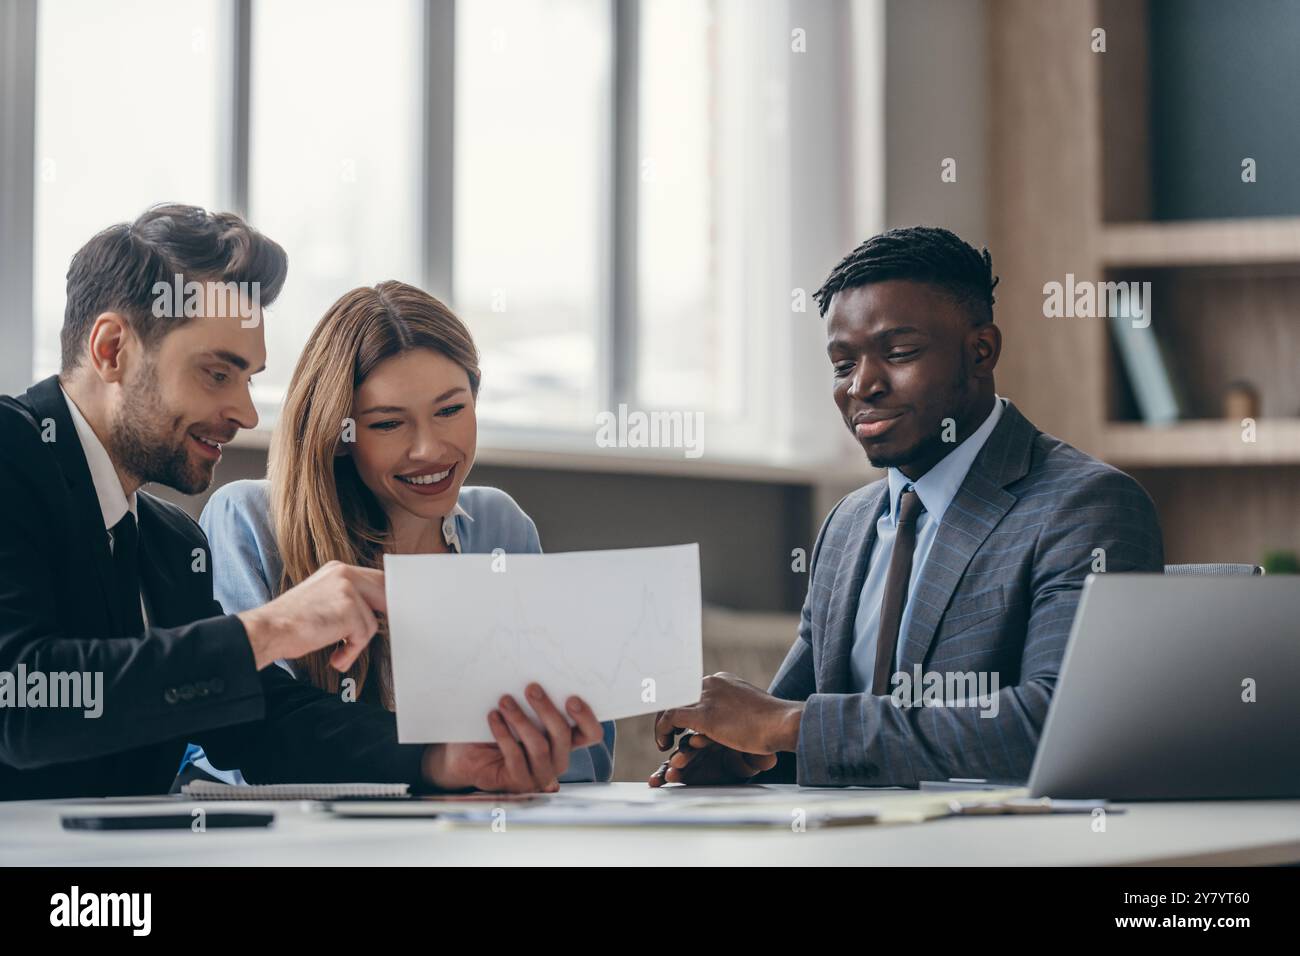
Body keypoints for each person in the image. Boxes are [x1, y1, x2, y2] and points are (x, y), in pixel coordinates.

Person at [0, 204, 600, 800]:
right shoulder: (12, 448)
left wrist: (441, 759)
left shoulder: (166, 542)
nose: (245, 412)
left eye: (250, 379)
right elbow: (23, 700)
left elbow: (256, 725)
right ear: (112, 349)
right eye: (217, 374)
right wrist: (274, 626)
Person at [650, 226, 1164, 788]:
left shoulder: (1086, 507)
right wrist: (741, 752)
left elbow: (1058, 726)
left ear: (981, 351)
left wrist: (787, 726)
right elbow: (799, 729)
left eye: (898, 354)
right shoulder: (847, 525)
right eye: (843, 365)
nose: (862, 386)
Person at [193, 281, 614, 789]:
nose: (428, 449)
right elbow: (251, 745)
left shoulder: (502, 528)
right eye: (389, 424)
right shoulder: (249, 520)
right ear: (339, 434)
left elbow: (577, 765)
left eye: (451, 410)